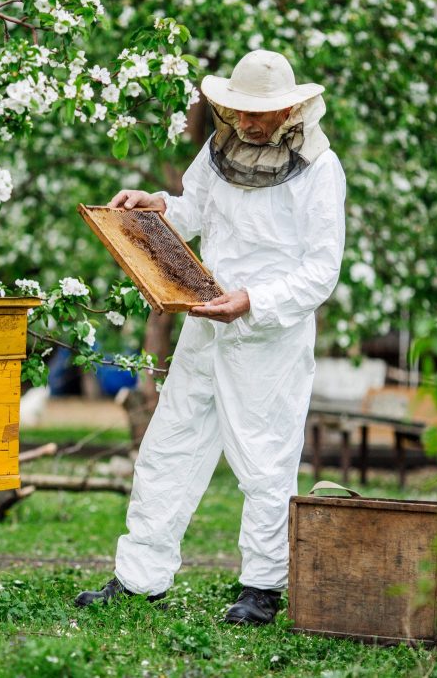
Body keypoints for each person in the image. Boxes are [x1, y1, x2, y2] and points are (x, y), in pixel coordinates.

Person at [75, 50, 346, 625]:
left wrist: (254, 301)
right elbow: (192, 211)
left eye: (258, 113)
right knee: (168, 448)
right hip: (204, 328)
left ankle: (262, 587)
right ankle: (140, 579)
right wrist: (157, 206)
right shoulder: (220, 148)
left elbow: (321, 271)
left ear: (289, 109)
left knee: (265, 462)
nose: (245, 122)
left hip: (269, 341)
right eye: (239, 110)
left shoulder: (321, 170)